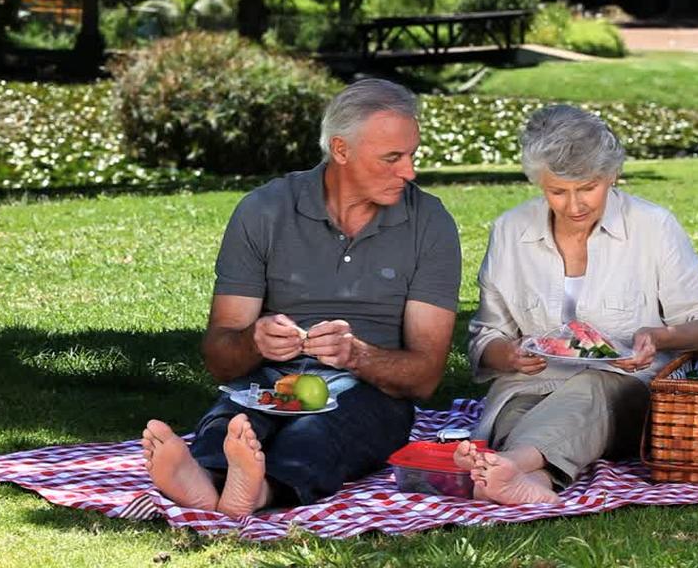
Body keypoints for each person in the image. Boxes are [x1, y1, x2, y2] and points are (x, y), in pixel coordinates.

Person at [141, 79, 462, 517]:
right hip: (269, 381)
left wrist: (357, 356)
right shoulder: (264, 211)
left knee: (316, 434)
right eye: (392, 158)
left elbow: (425, 375)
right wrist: (255, 340)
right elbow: (219, 358)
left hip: (370, 393)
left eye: (411, 155)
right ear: (341, 150)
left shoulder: (430, 223)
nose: (409, 172)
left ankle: (252, 493)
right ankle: (208, 480)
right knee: (235, 423)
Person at [455, 104, 698, 505]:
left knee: (593, 389)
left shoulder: (652, 226)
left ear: (611, 174)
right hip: (530, 387)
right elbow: (487, 336)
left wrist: (660, 336)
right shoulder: (509, 231)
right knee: (518, 416)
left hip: (627, 391)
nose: (574, 206)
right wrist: (510, 356)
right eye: (557, 192)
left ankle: (509, 464)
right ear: (538, 184)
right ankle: (531, 483)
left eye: (588, 187)